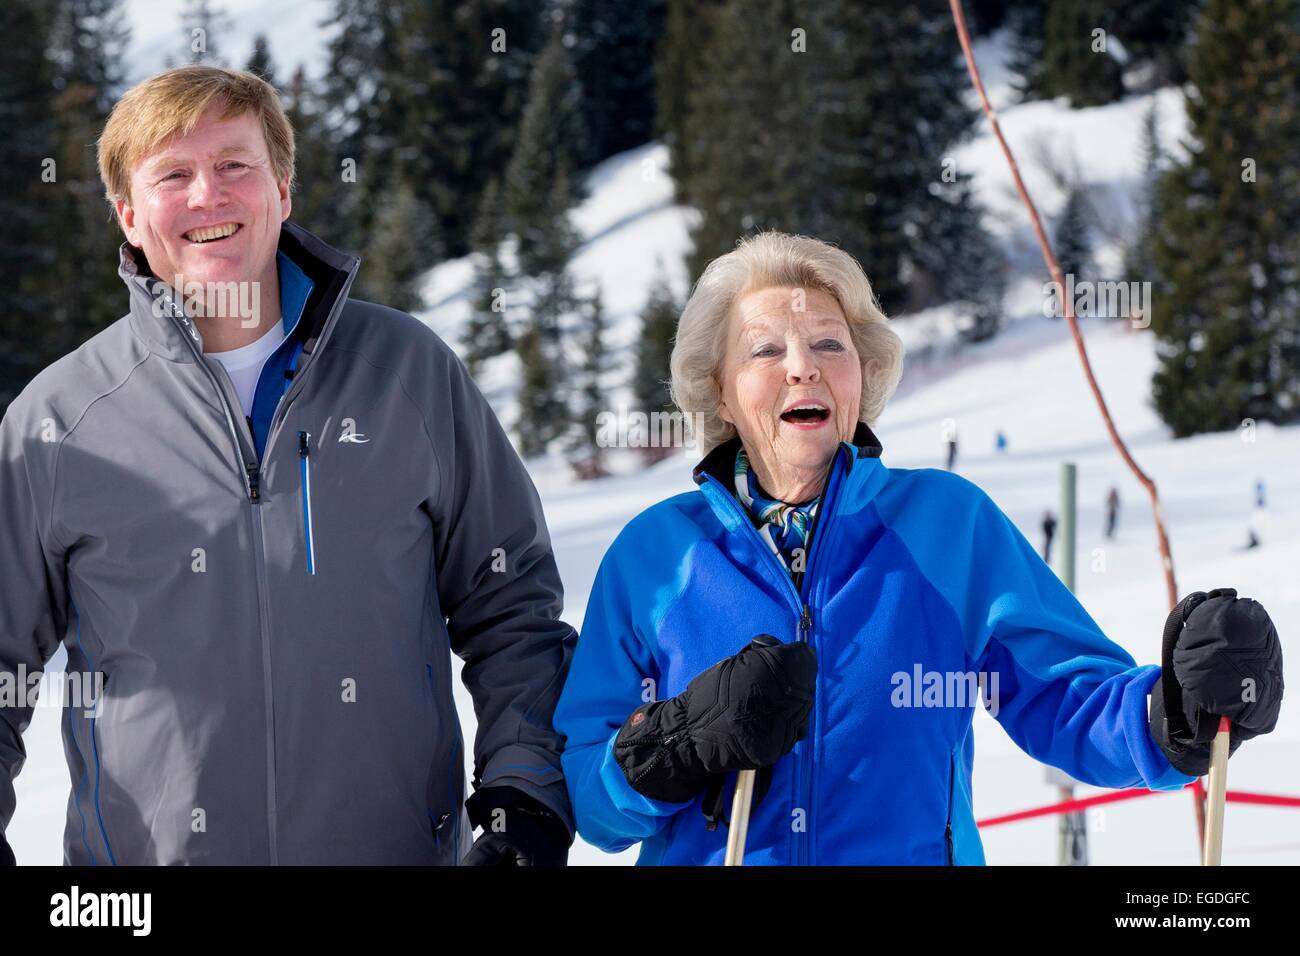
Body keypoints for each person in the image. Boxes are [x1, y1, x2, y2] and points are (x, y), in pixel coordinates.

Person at [553, 232, 1283, 865]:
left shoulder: (947, 525)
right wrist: (677, 744)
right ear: (717, 391)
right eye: (765, 349)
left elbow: (1065, 696)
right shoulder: (654, 554)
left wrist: (1177, 715)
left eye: (829, 344)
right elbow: (591, 798)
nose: (802, 366)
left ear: (860, 376)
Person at [0, 67, 575, 865]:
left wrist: (525, 801)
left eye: (236, 164)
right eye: (173, 174)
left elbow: (512, 607)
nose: (210, 195)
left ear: (283, 189)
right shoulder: (60, 419)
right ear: (129, 217)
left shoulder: (408, 373)